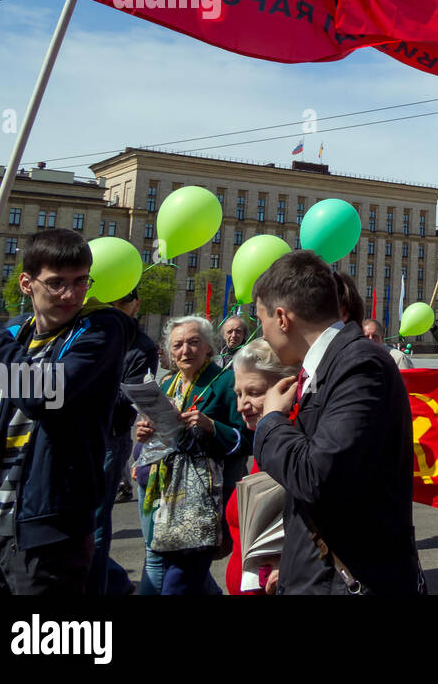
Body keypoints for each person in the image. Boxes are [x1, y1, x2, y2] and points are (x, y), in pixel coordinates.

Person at [0, 229, 128, 596]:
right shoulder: (15, 338)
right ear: (26, 283)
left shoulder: (100, 330)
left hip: (50, 533)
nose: (70, 294)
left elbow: (42, 393)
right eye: (55, 283)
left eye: (80, 281)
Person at [253, 250, 420, 594]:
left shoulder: (360, 365)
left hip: (351, 580)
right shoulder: (330, 365)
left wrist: (270, 422)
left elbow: (318, 477)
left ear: (282, 317)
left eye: (262, 320)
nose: (263, 334)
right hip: (323, 575)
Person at [135, 316, 246, 594]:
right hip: (164, 494)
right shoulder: (166, 385)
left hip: (205, 498)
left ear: (208, 347)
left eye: (194, 343)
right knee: (178, 577)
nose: (186, 351)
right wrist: (145, 435)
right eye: (178, 345)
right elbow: (157, 441)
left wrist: (211, 426)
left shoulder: (225, 381)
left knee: (179, 582)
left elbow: (248, 439)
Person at [88, 287, 158, 596]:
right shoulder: (92, 336)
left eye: (121, 302)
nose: (114, 308)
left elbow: (127, 401)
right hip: (81, 435)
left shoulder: (140, 347)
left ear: (135, 305)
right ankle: (113, 580)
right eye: (109, 301)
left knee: (96, 521)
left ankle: (104, 586)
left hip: (110, 439)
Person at [225, 339, 299, 595]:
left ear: (287, 387)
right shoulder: (265, 445)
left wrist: (293, 563)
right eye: (238, 393)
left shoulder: (293, 450)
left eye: (254, 392)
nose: (241, 405)